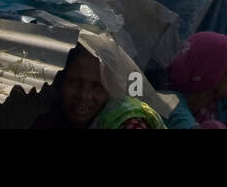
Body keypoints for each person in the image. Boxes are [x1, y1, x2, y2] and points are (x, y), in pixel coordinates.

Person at [34, 46, 165, 129]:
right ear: (59, 81)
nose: (84, 95)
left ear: (112, 88)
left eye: (98, 86)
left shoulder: (127, 121)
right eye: (75, 82)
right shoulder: (49, 121)